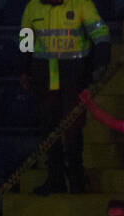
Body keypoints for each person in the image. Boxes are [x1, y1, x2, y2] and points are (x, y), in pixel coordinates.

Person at [20, 0, 110, 194]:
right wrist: (24, 70)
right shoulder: (32, 7)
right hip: (44, 80)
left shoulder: (82, 5)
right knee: (49, 132)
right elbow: (25, 41)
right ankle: (56, 180)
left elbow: (101, 34)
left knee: (73, 130)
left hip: (74, 78)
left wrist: (101, 63)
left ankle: (77, 181)